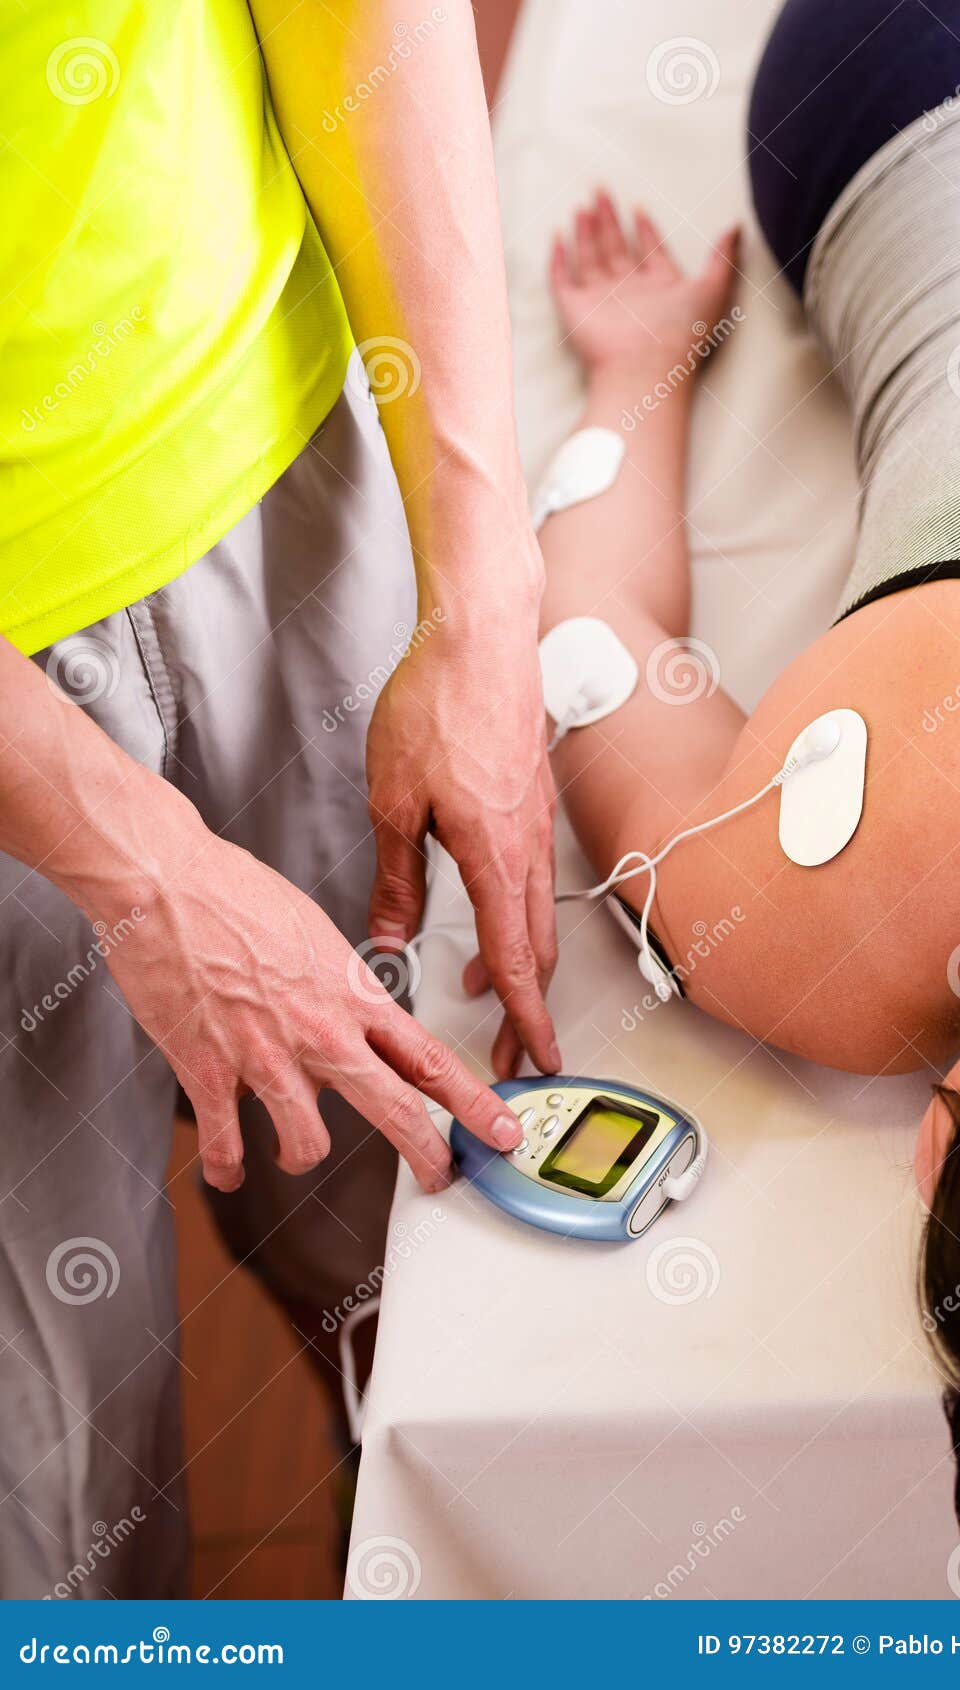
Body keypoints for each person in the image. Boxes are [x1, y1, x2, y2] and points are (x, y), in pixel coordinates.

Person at [491, 0, 960, 1599]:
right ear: (946, 1141)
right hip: (926, 82)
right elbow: (592, 650)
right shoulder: (857, 904)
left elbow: (595, 653)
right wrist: (643, 369)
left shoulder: (875, 886)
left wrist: (639, 367)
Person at [0, 1, 558, 1596]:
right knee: (58, 1486)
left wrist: (481, 578)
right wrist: (144, 871)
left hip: (283, 450)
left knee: (421, 1230)